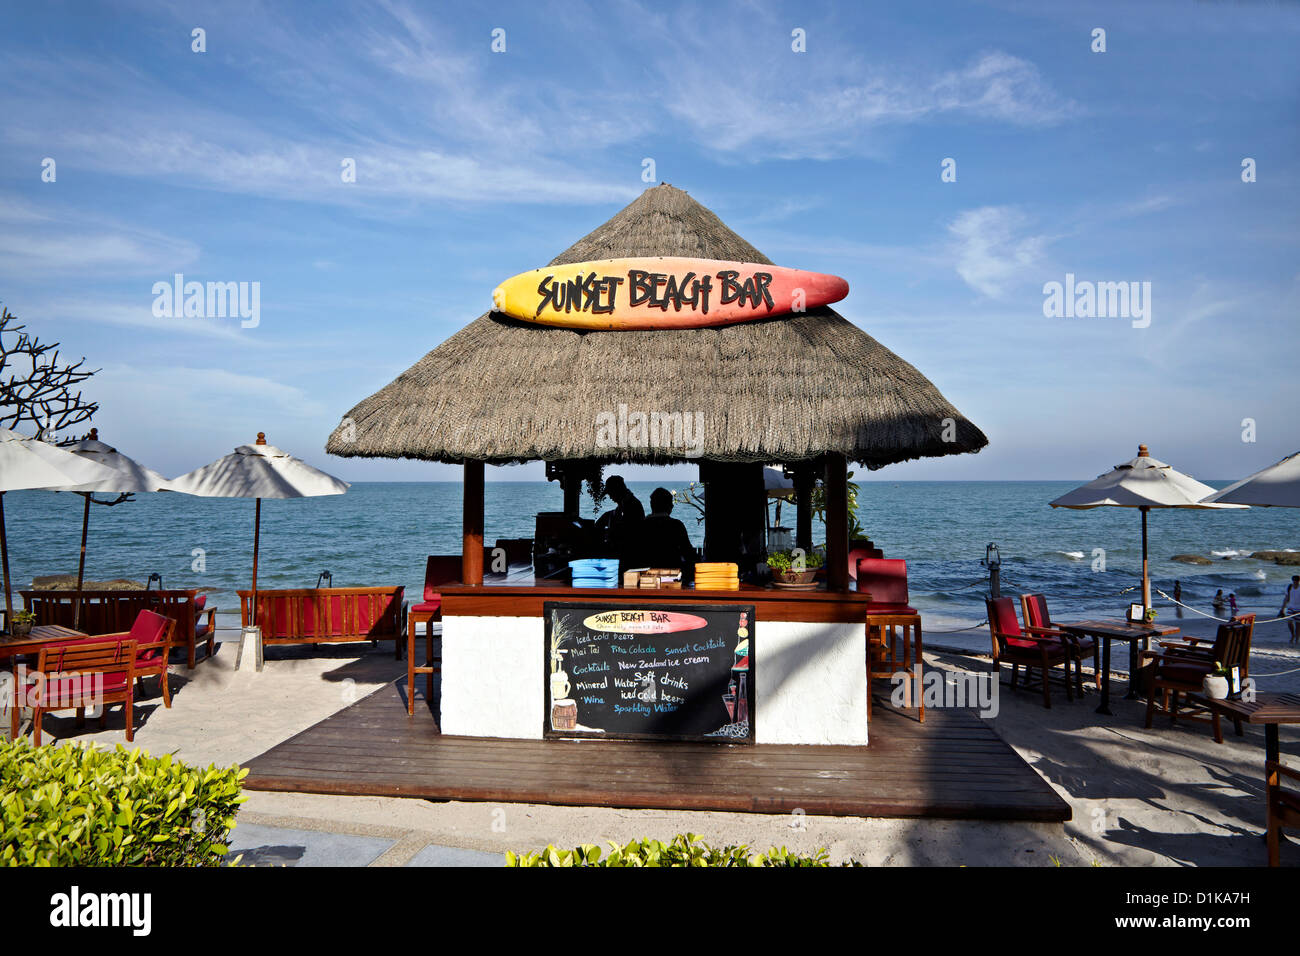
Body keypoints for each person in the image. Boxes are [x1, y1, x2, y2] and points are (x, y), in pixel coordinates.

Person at [629, 488, 697, 581]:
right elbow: (688, 553)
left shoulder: (640, 526)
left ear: (652, 505)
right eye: (671, 503)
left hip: (645, 578)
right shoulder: (676, 525)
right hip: (672, 577)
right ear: (669, 506)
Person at [595, 474, 644, 563]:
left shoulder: (631, 506)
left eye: (610, 493)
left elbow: (626, 532)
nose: (610, 497)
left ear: (616, 491)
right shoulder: (627, 503)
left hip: (630, 556)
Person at [1283, 575, 1300, 645]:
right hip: (1291, 607)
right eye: (1294, 580)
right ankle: (1293, 634)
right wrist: (1282, 607)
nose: (1295, 582)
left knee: (1298, 625)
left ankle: (1297, 638)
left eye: (1297, 581)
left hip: (1299, 608)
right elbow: (1286, 598)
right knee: (1289, 622)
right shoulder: (1289, 587)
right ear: (1292, 580)